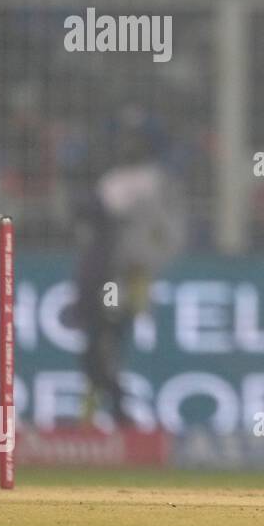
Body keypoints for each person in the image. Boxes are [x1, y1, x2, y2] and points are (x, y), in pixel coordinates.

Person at [73, 108, 185, 427]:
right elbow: (89, 225)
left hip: (127, 278)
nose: (129, 145)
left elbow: (168, 235)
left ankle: (112, 415)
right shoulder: (110, 180)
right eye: (125, 138)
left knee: (104, 348)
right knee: (96, 351)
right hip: (98, 274)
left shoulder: (157, 182)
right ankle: (97, 417)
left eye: (136, 138)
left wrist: (145, 266)